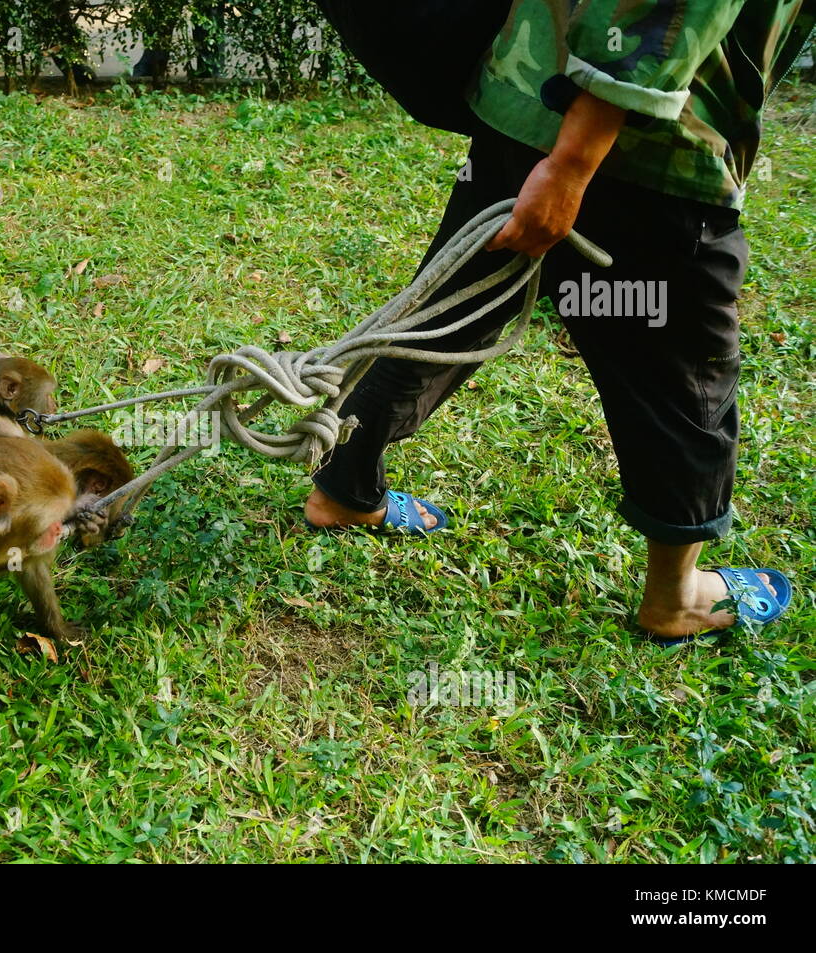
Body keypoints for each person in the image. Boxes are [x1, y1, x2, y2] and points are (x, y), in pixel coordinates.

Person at [308, 2, 813, 643]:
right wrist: (572, 164)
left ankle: (344, 489)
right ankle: (677, 599)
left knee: (449, 315)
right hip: (647, 145)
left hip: (523, 108)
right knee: (683, 373)